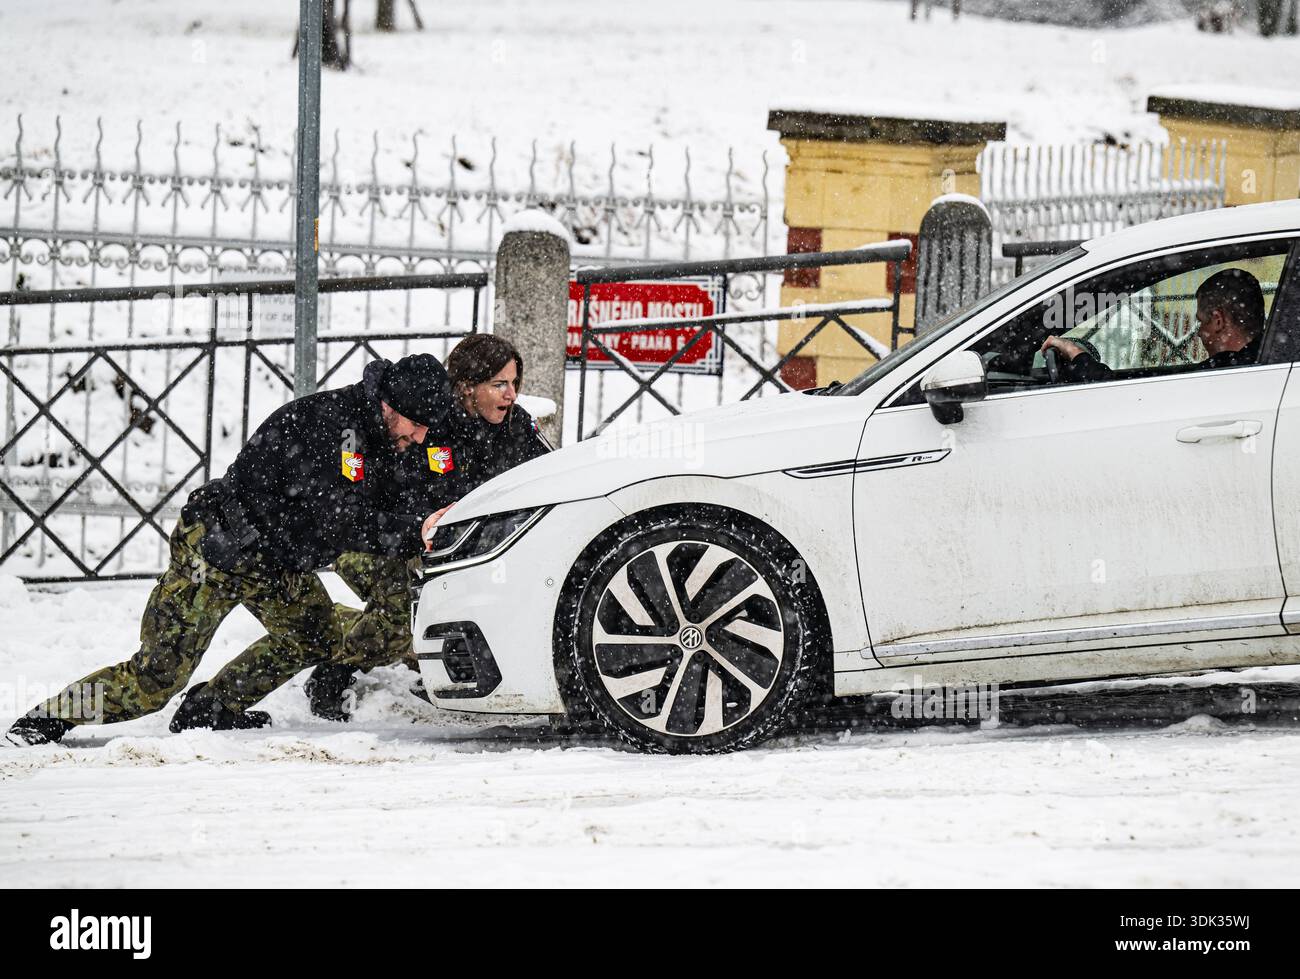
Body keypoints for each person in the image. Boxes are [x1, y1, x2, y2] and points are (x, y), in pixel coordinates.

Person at [4, 355, 454, 747]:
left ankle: (211, 708)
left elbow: (393, 496)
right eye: (416, 426)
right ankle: (49, 716)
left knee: (313, 635)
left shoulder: (383, 434)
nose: (419, 437)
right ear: (390, 406)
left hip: (276, 559)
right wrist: (416, 531)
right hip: (217, 549)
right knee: (155, 678)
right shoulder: (330, 426)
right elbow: (340, 520)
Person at [205, 334, 551, 723]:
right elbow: (387, 493)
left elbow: (547, 472)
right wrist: (422, 523)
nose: (510, 395)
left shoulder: (516, 425)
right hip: (377, 536)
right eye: (499, 384)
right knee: (400, 614)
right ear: (468, 386)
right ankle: (336, 671)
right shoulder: (426, 420)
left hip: (453, 539)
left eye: (515, 384)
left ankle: (436, 660)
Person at [1041, 268, 1266, 382]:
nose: (1198, 333)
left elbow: (1129, 398)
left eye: (1200, 322)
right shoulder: (1262, 360)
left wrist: (1078, 356)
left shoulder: (1226, 373)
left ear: (1218, 320)